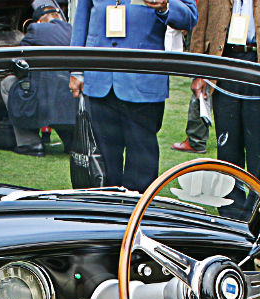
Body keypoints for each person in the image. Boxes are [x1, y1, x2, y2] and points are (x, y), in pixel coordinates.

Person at [70, 0, 197, 193]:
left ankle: (136, 218)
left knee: (142, 168)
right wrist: (76, 69)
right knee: (101, 166)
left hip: (143, 83)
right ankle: (104, 217)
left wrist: (165, 6)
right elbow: (82, 18)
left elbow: (189, 17)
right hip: (99, 79)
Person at [188, 0, 260, 217]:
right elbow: (200, 20)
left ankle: (259, 212)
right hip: (224, 62)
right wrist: (198, 70)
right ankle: (230, 213)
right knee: (227, 145)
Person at [0, 0, 76, 156]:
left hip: (43, 98)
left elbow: (19, 60)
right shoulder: (73, 31)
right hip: (70, 96)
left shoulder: (36, 29)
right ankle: (72, 143)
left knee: (7, 83)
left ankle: (30, 143)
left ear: (39, 21)